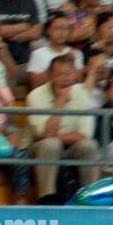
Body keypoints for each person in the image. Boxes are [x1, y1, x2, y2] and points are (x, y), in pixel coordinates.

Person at [26, 53, 100, 204]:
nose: (65, 78)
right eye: (59, 74)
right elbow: (44, 135)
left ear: (75, 75)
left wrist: (54, 136)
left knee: (89, 146)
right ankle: (47, 199)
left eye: (69, 73)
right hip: (38, 149)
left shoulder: (82, 95)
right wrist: (60, 102)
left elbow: (85, 135)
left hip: (71, 148)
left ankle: (91, 198)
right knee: (51, 145)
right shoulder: (35, 96)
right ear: (50, 76)